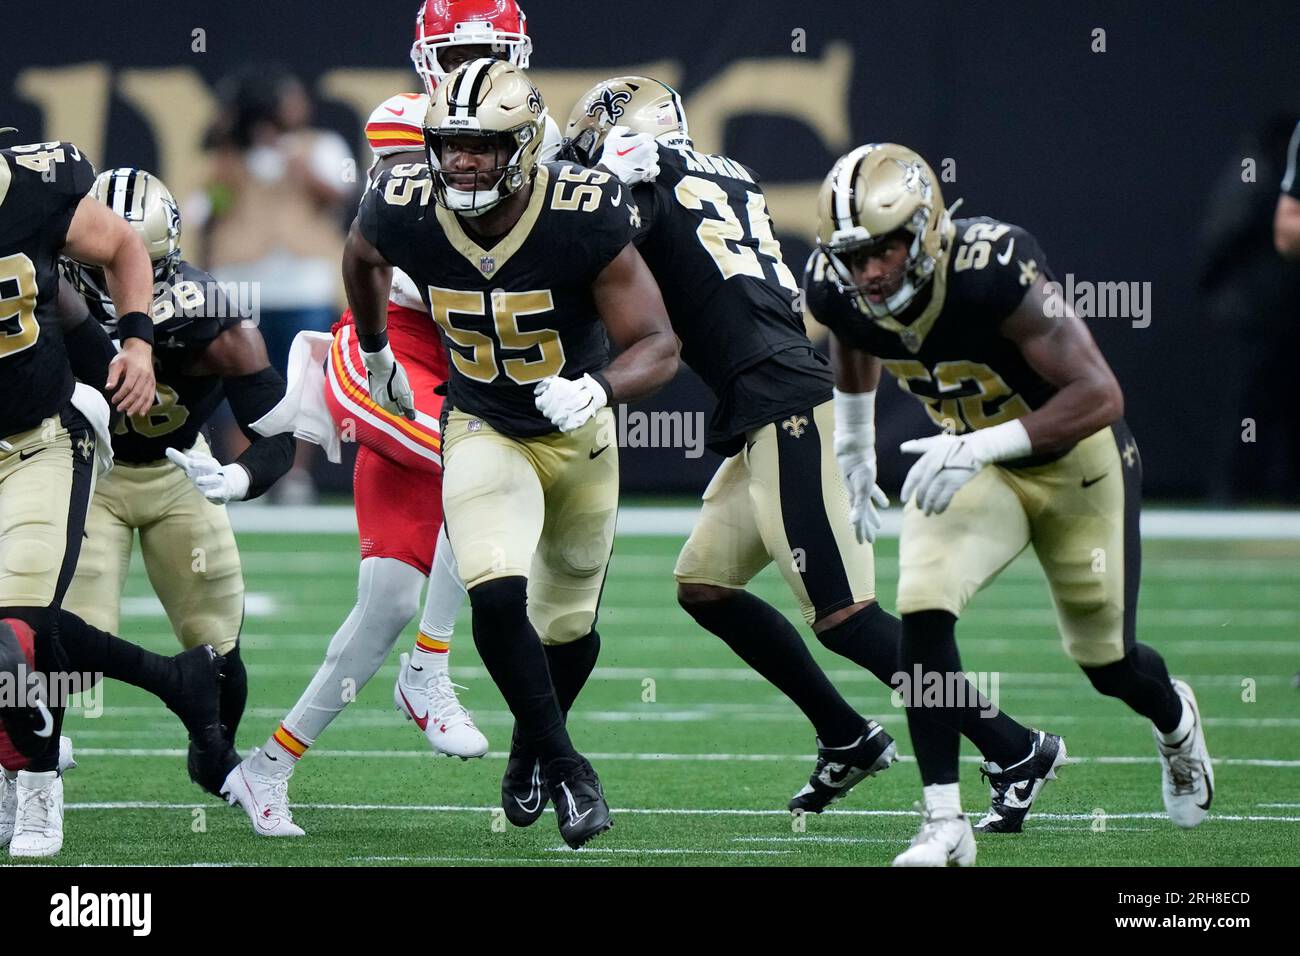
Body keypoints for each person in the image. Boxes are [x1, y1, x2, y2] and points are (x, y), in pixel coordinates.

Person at [563, 79, 1062, 829]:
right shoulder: (726, 173)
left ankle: (1014, 746)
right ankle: (847, 735)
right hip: (770, 397)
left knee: (845, 616)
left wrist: (607, 185)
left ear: (622, 140)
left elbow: (587, 251)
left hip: (784, 402)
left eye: (593, 150)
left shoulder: (645, 182)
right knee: (704, 585)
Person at [806, 143, 1212, 866]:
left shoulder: (994, 267)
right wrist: (856, 441)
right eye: (855, 253)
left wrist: (980, 446)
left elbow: (1100, 394)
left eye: (885, 250)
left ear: (926, 230)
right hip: (971, 464)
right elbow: (852, 336)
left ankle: (1176, 721)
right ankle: (943, 822)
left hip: (1073, 463)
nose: (869, 271)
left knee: (1106, 662)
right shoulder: (836, 286)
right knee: (923, 610)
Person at [343, 60, 677, 848]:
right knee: (495, 595)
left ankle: (530, 747)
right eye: (451, 143)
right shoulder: (401, 202)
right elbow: (361, 258)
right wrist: (378, 348)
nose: (462, 160)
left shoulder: (582, 212)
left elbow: (659, 343)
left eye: (483, 146)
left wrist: (598, 388)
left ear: (526, 146)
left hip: (579, 435)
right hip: (483, 424)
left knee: (566, 626)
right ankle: (567, 767)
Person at [0, 137, 232, 857]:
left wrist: (132, 345)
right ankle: (175, 678)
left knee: (15, 637)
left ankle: (36, 788)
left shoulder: (35, 186)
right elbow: (54, 290)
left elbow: (122, 247)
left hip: (39, 439)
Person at [60, 167, 296, 795]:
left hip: (175, 474)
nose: (113, 284)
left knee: (217, 646)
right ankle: (36, 749)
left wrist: (238, 477)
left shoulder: (213, 320)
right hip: (88, 472)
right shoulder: (43, 299)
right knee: (67, 646)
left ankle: (214, 750)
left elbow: (278, 433)